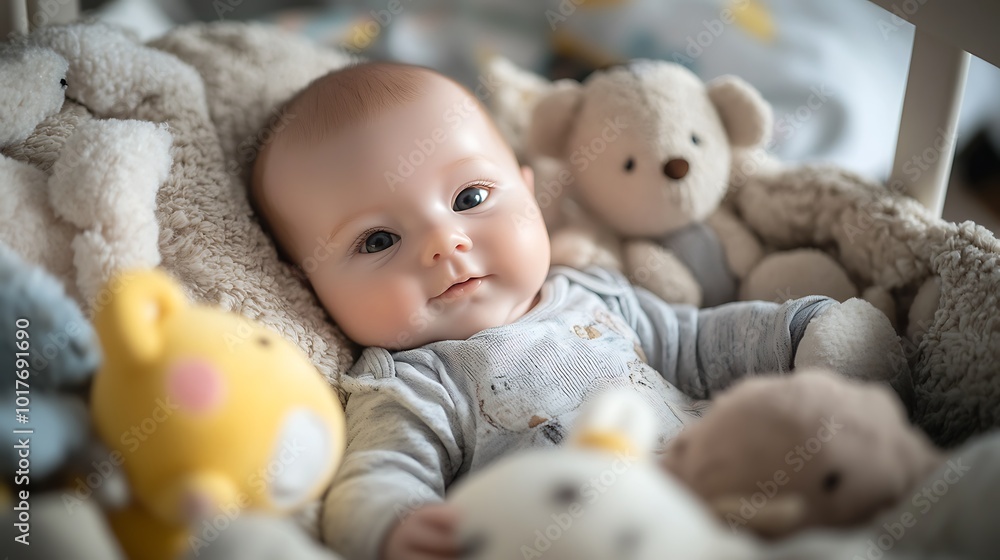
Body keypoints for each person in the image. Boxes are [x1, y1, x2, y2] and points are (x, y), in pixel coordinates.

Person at [250, 61, 905, 560]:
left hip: (729, 499)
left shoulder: (595, 293)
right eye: (377, 241)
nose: (444, 244)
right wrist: (393, 525)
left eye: (470, 197)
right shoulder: (412, 384)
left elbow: (700, 343)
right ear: (310, 286)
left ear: (530, 194)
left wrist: (801, 330)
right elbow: (376, 474)